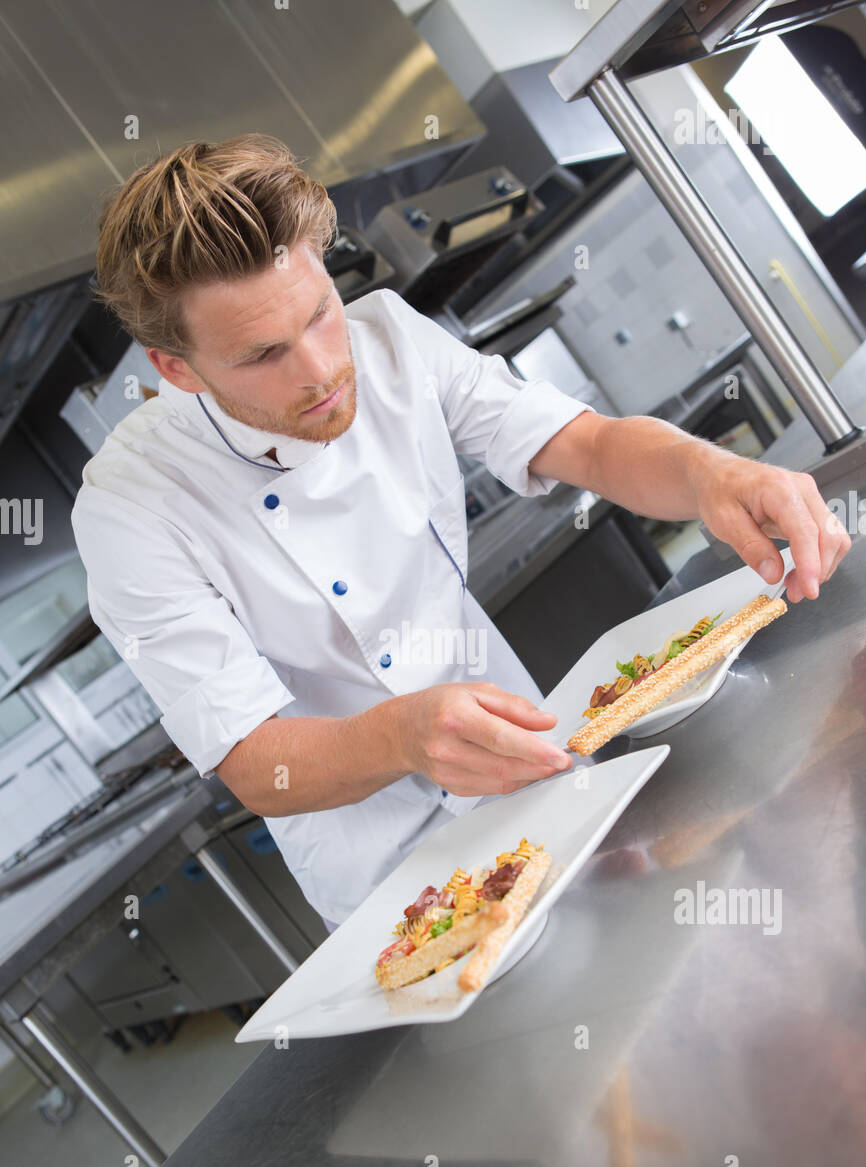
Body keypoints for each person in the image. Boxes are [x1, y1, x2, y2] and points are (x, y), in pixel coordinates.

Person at [71, 134, 850, 931]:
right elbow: (254, 764)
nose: (318, 369)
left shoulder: (391, 340)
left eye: (318, 314)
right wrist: (403, 735)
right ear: (177, 369)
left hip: (536, 772)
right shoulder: (131, 510)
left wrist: (711, 473)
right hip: (395, 883)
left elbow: (582, 443)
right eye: (264, 354)